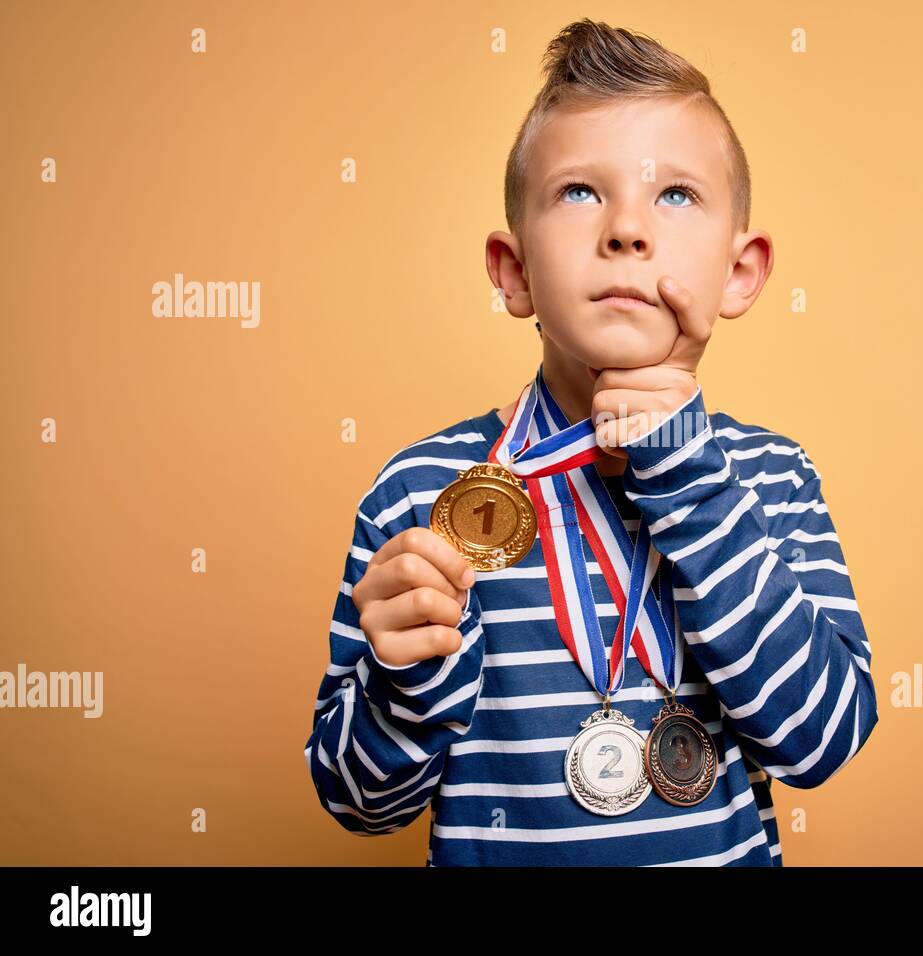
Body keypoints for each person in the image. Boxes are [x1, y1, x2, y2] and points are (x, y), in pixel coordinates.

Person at [304, 18, 879, 866]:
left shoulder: (772, 477)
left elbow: (821, 742)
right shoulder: (422, 492)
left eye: (675, 194)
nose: (627, 230)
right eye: (579, 192)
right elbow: (359, 805)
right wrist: (409, 681)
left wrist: (689, 476)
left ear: (739, 272)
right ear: (515, 272)